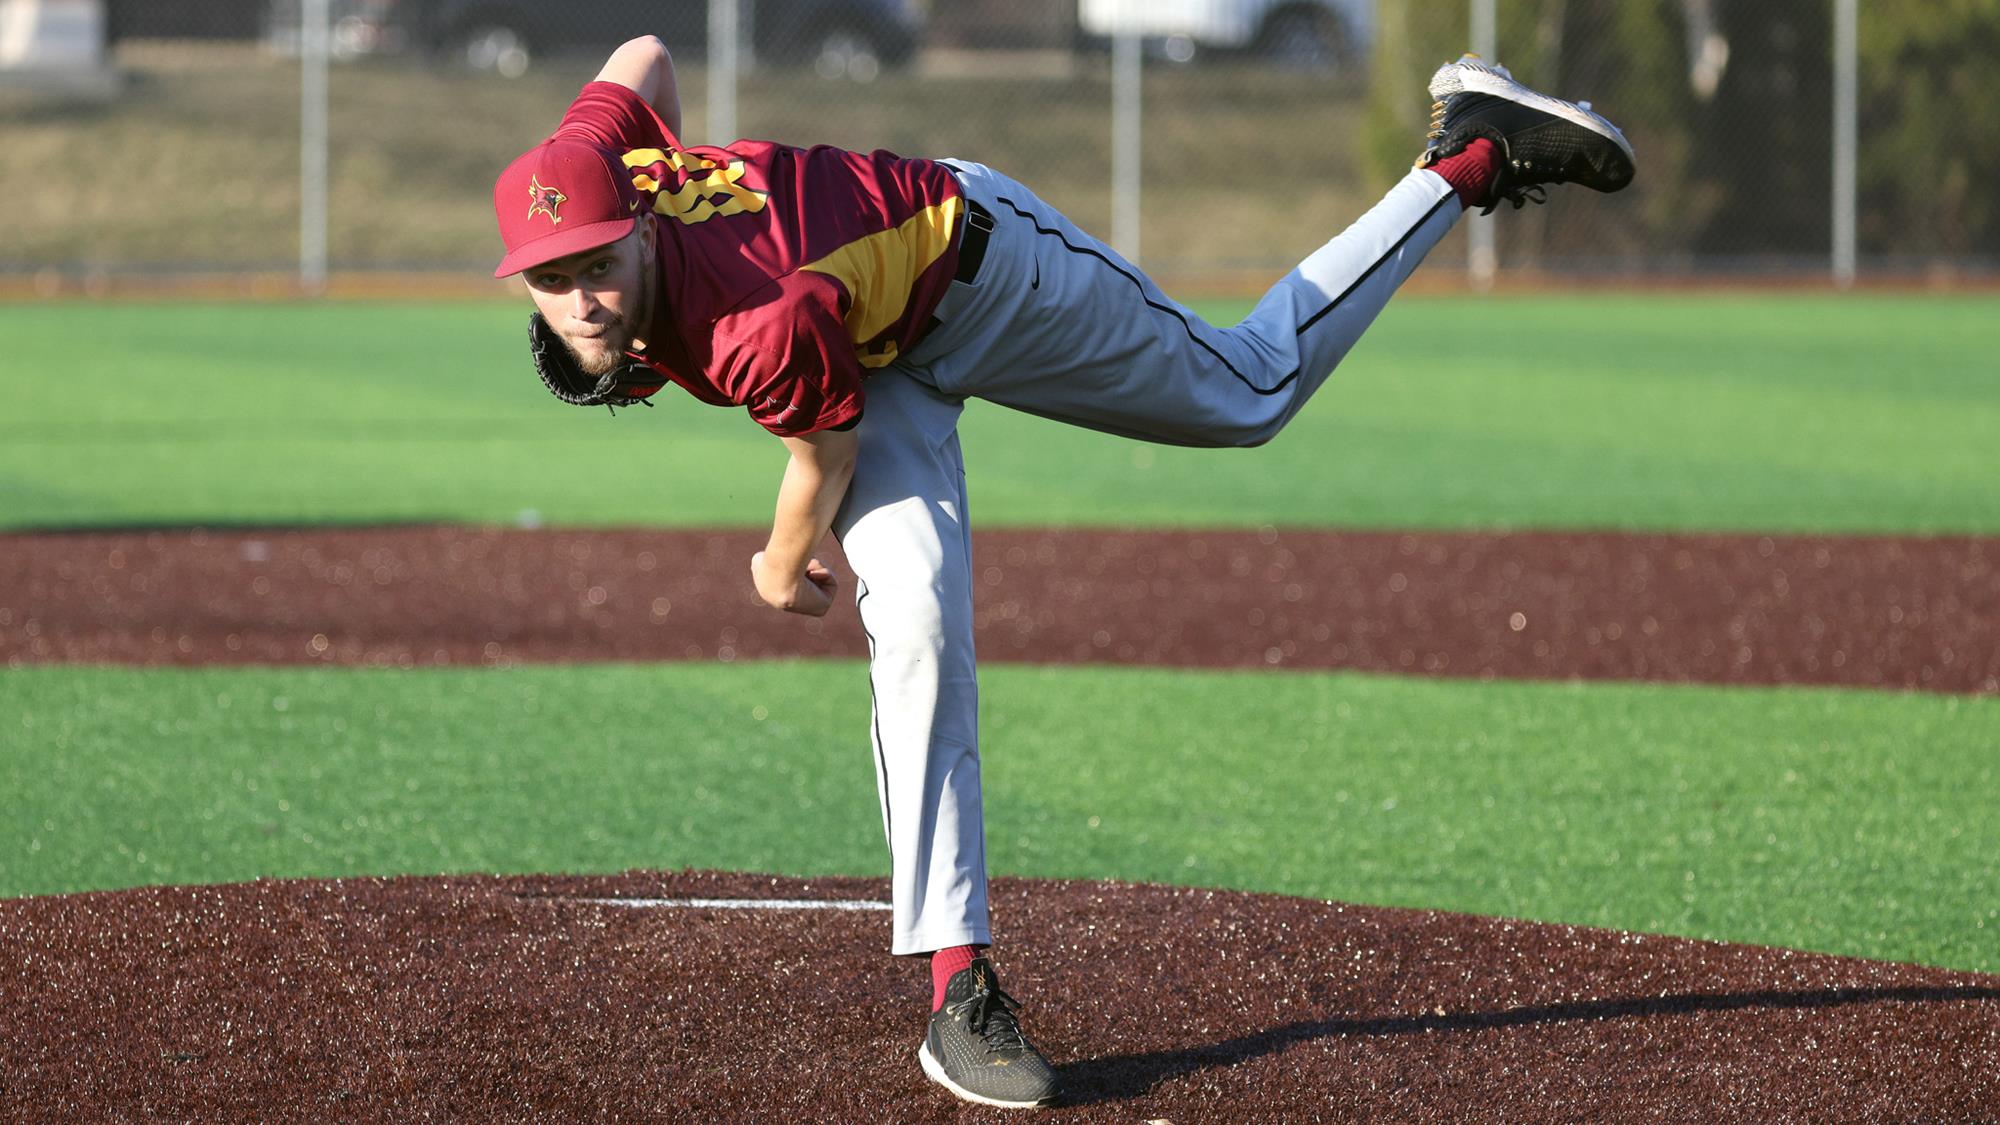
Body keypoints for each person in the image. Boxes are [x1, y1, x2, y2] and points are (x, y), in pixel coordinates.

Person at [491, 37, 1632, 1109]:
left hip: (985, 270)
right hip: (869, 347)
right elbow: (641, 55)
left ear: (639, 224)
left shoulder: (757, 323)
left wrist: (778, 570)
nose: (580, 293)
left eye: (597, 259)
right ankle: (957, 991)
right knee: (922, 627)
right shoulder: (589, 163)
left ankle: (1468, 157)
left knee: (1245, 394)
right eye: (551, 275)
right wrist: (610, 178)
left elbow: (819, 458)